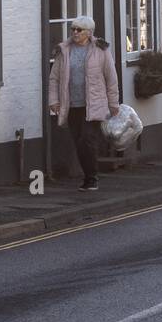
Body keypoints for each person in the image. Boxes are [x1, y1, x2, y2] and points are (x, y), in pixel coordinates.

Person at [47, 15, 119, 191]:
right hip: (71, 105)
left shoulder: (101, 50)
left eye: (79, 30)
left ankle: (92, 177)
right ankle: (88, 176)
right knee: (78, 141)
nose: (75, 32)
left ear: (89, 32)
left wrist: (113, 103)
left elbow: (111, 78)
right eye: (73, 29)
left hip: (93, 104)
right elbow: (54, 78)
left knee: (87, 140)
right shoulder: (64, 50)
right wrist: (54, 100)